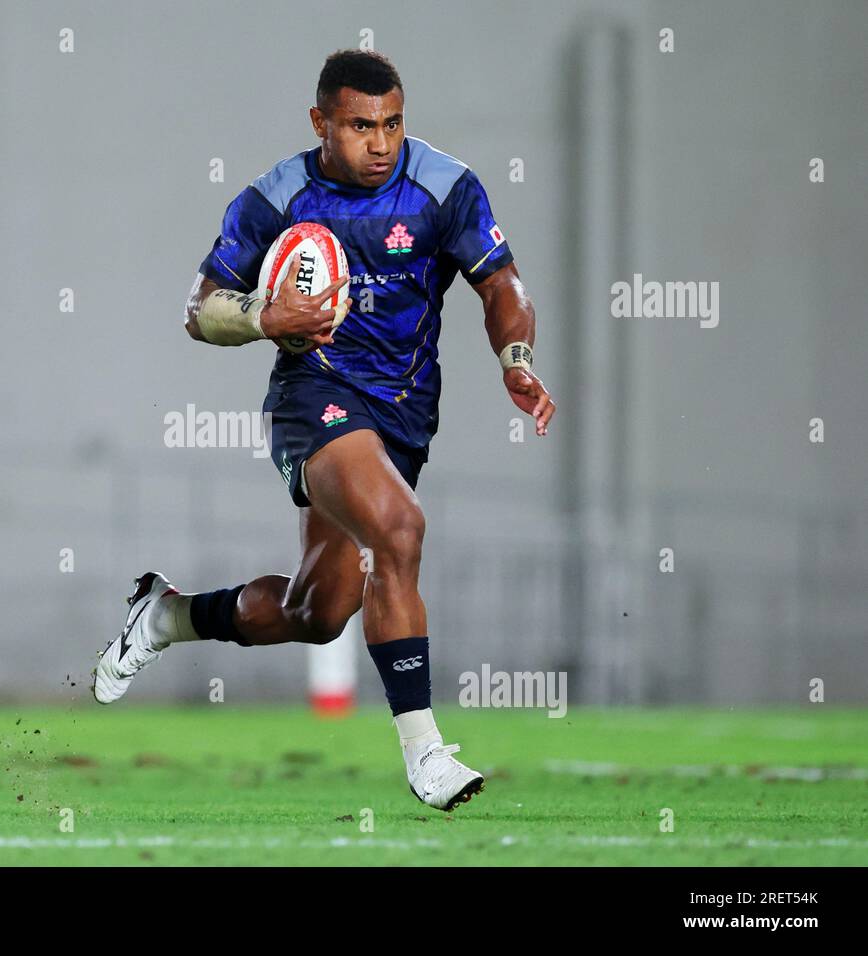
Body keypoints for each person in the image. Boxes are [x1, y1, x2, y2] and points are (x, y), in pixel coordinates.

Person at [93, 51, 556, 812]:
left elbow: (502, 283)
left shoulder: (444, 185)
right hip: (313, 400)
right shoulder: (277, 198)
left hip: (402, 416)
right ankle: (425, 751)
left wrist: (516, 358)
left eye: (393, 124)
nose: (381, 143)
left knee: (318, 612)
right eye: (360, 126)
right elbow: (199, 308)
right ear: (321, 124)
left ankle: (167, 615)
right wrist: (262, 318)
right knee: (399, 530)